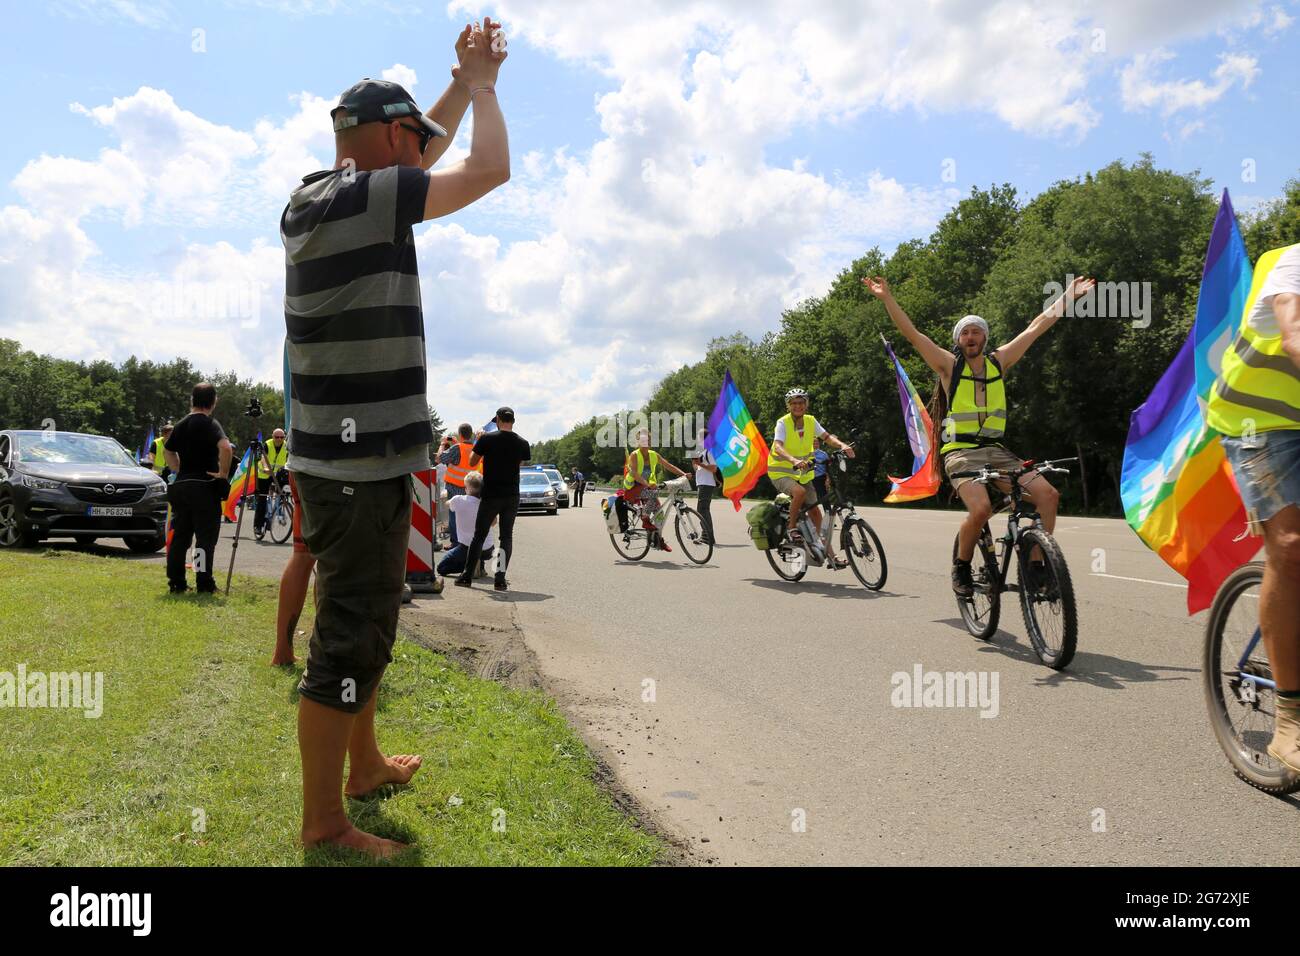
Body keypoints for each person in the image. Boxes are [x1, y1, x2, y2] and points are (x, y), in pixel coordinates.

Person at [280, 19, 510, 858]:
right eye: (411, 133)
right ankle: (325, 824)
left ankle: (365, 764)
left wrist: (454, 84)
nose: (423, 146)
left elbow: (419, 146)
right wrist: (483, 87)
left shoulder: (326, 195)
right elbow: (487, 167)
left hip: (345, 458)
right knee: (353, 628)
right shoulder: (367, 195)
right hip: (358, 467)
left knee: (365, 617)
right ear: (381, 138)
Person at [863, 273, 1093, 596]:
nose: (971, 337)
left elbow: (1036, 327)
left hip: (997, 451)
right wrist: (887, 298)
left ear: (985, 337)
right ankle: (961, 565)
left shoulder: (1000, 362)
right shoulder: (948, 366)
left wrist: (1068, 297)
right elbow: (913, 336)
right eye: (965, 333)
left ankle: (1037, 566)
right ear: (958, 341)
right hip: (959, 453)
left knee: (1048, 496)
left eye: (976, 331)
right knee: (981, 509)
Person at [1205, 242, 1300, 771]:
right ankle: (1289, 721)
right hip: (1257, 422)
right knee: (1290, 545)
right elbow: (1294, 335)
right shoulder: (1295, 263)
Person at [765, 388, 854, 565]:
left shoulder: (810, 421)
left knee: (815, 513)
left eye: (801, 402)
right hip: (781, 471)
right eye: (794, 403)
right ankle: (791, 528)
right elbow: (778, 446)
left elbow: (827, 437)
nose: (798, 406)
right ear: (789, 406)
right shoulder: (782, 423)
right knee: (799, 492)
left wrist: (842, 446)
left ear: (806, 404)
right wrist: (793, 460)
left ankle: (831, 556)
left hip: (804, 473)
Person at [163, 383, 233, 594]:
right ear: (213, 401)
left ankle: (176, 582)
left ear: (191, 400)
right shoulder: (211, 424)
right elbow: (226, 447)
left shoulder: (181, 424)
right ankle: (204, 582)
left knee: (180, 538)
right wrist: (223, 473)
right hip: (204, 487)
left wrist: (177, 469)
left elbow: (168, 450)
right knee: (204, 540)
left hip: (182, 486)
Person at [456, 407, 529, 591]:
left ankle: (466, 576)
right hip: (512, 495)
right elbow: (519, 464)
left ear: (497, 419)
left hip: (491, 494)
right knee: (506, 537)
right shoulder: (523, 443)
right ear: (513, 421)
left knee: (479, 535)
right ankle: (500, 579)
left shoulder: (487, 439)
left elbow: (472, 462)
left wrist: (479, 441)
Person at [617, 428, 689, 551]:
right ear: (638, 441)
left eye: (648, 439)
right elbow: (634, 473)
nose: (646, 442)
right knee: (652, 494)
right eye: (643, 439)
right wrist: (646, 484)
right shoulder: (634, 455)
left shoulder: (654, 455)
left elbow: (668, 466)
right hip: (632, 487)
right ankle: (645, 519)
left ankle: (657, 539)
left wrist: (683, 474)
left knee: (659, 514)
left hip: (646, 487)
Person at [438, 471, 495, 578]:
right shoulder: (486, 504)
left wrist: (447, 496)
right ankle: (480, 566)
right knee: (480, 544)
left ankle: (470, 567)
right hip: (488, 549)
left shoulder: (458, 500)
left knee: (442, 568)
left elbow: (447, 504)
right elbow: (493, 523)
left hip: (467, 547)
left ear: (467, 488)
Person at [438, 423, 479, 545]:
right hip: (472, 487)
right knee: (470, 514)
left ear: (460, 434)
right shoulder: (476, 448)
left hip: (454, 487)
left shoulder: (457, 448)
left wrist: (442, 444)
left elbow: (440, 458)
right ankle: (469, 541)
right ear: (470, 434)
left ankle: (456, 543)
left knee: (454, 514)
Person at [254, 427, 290, 539]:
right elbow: (262, 458)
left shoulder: (287, 446)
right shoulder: (267, 444)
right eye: (276, 437)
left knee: (285, 492)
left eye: (281, 437)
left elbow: (291, 459)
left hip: (279, 475)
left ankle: (279, 510)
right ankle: (258, 526)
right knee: (262, 499)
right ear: (272, 436)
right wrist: (265, 467)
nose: (279, 439)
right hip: (264, 475)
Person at [689, 428, 720, 545]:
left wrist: (700, 463)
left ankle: (708, 537)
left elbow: (713, 468)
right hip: (702, 483)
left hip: (707, 484)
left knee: (703, 510)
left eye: (699, 437)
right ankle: (706, 536)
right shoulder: (702, 452)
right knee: (703, 510)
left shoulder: (709, 452)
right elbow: (697, 469)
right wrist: (694, 463)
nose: (697, 439)